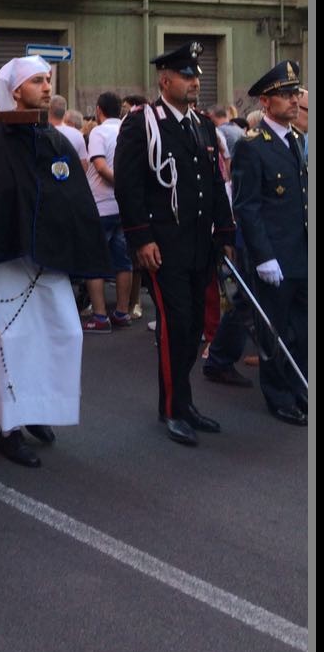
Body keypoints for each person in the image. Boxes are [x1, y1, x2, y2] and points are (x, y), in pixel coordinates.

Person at [0, 57, 110, 468]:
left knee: (62, 334)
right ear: (15, 91)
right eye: (37, 80)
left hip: (49, 259)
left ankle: (37, 409)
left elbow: (72, 195)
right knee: (14, 343)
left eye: (48, 80)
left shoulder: (56, 139)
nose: (46, 87)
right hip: (8, 260)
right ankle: (9, 427)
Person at [114, 42, 235, 446]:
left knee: (195, 326)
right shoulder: (143, 123)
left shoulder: (203, 124)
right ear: (165, 81)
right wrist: (141, 237)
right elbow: (129, 185)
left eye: (196, 76)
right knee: (176, 326)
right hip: (164, 246)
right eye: (186, 76)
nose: (195, 82)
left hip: (199, 243)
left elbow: (214, 182)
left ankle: (184, 401)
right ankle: (172, 408)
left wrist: (226, 231)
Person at [230, 61, 308, 426]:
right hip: (274, 258)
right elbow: (247, 206)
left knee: (303, 331)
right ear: (265, 101)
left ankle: (300, 386)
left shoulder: (296, 140)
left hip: (301, 253)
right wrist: (263, 257)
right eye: (286, 94)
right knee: (274, 331)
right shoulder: (252, 146)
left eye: (295, 93)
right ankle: (279, 396)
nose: (293, 100)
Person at [83, 91, 134, 332]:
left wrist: (121, 184)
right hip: (124, 207)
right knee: (124, 262)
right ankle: (122, 312)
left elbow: (101, 167)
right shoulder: (126, 130)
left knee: (94, 260)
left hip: (101, 206)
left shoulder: (98, 132)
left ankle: (100, 316)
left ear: (98, 110)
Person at [49, 95, 89, 171]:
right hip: (71, 177)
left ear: (49, 110)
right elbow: (84, 166)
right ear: (65, 112)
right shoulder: (77, 135)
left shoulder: (40, 133)